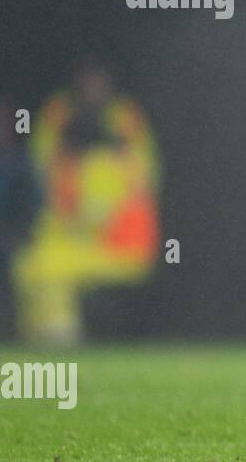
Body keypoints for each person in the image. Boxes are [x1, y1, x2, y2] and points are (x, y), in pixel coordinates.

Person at [12, 59, 160, 346]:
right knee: (31, 264)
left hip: (118, 244)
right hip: (81, 239)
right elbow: (43, 169)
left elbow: (138, 187)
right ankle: (45, 338)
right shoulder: (62, 165)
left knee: (45, 265)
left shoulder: (113, 161)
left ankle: (59, 337)